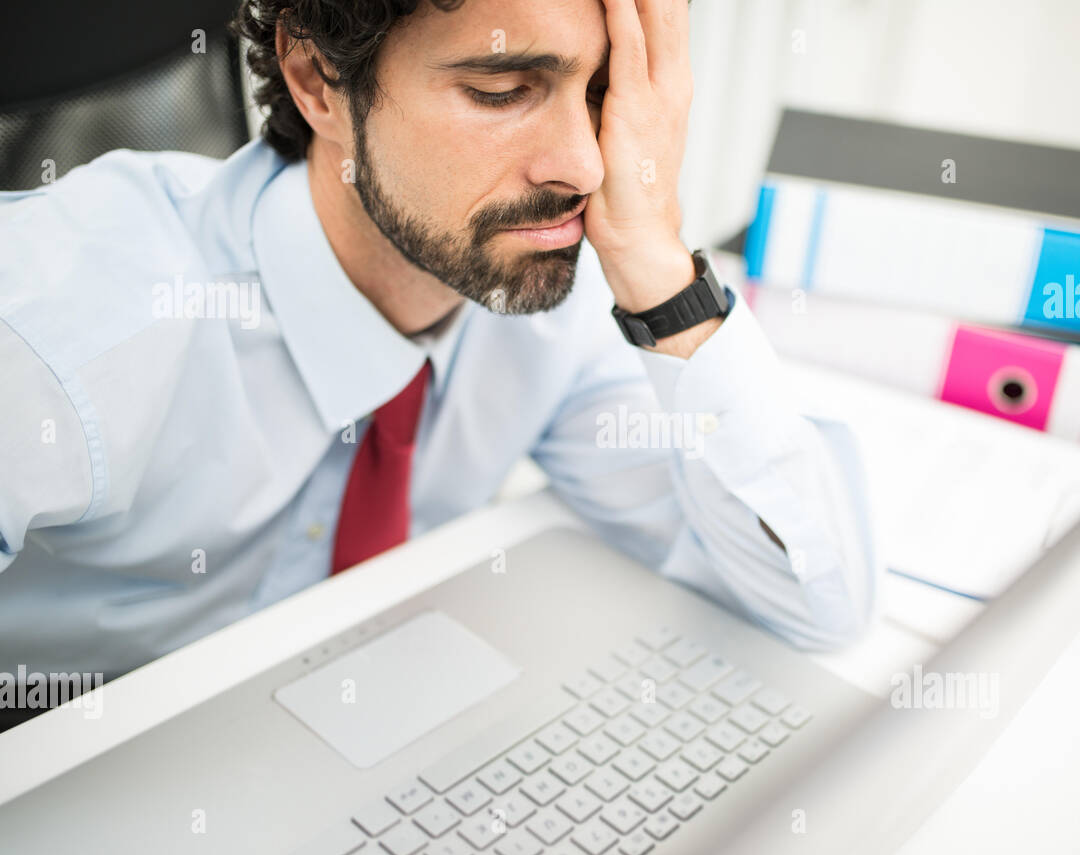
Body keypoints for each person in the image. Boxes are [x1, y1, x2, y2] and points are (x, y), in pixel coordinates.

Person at [0, 0, 878, 729]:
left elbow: (813, 600)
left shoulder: (543, 305)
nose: (581, 165)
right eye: (503, 90)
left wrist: (656, 263)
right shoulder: (70, 322)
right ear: (317, 82)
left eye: (603, 93)